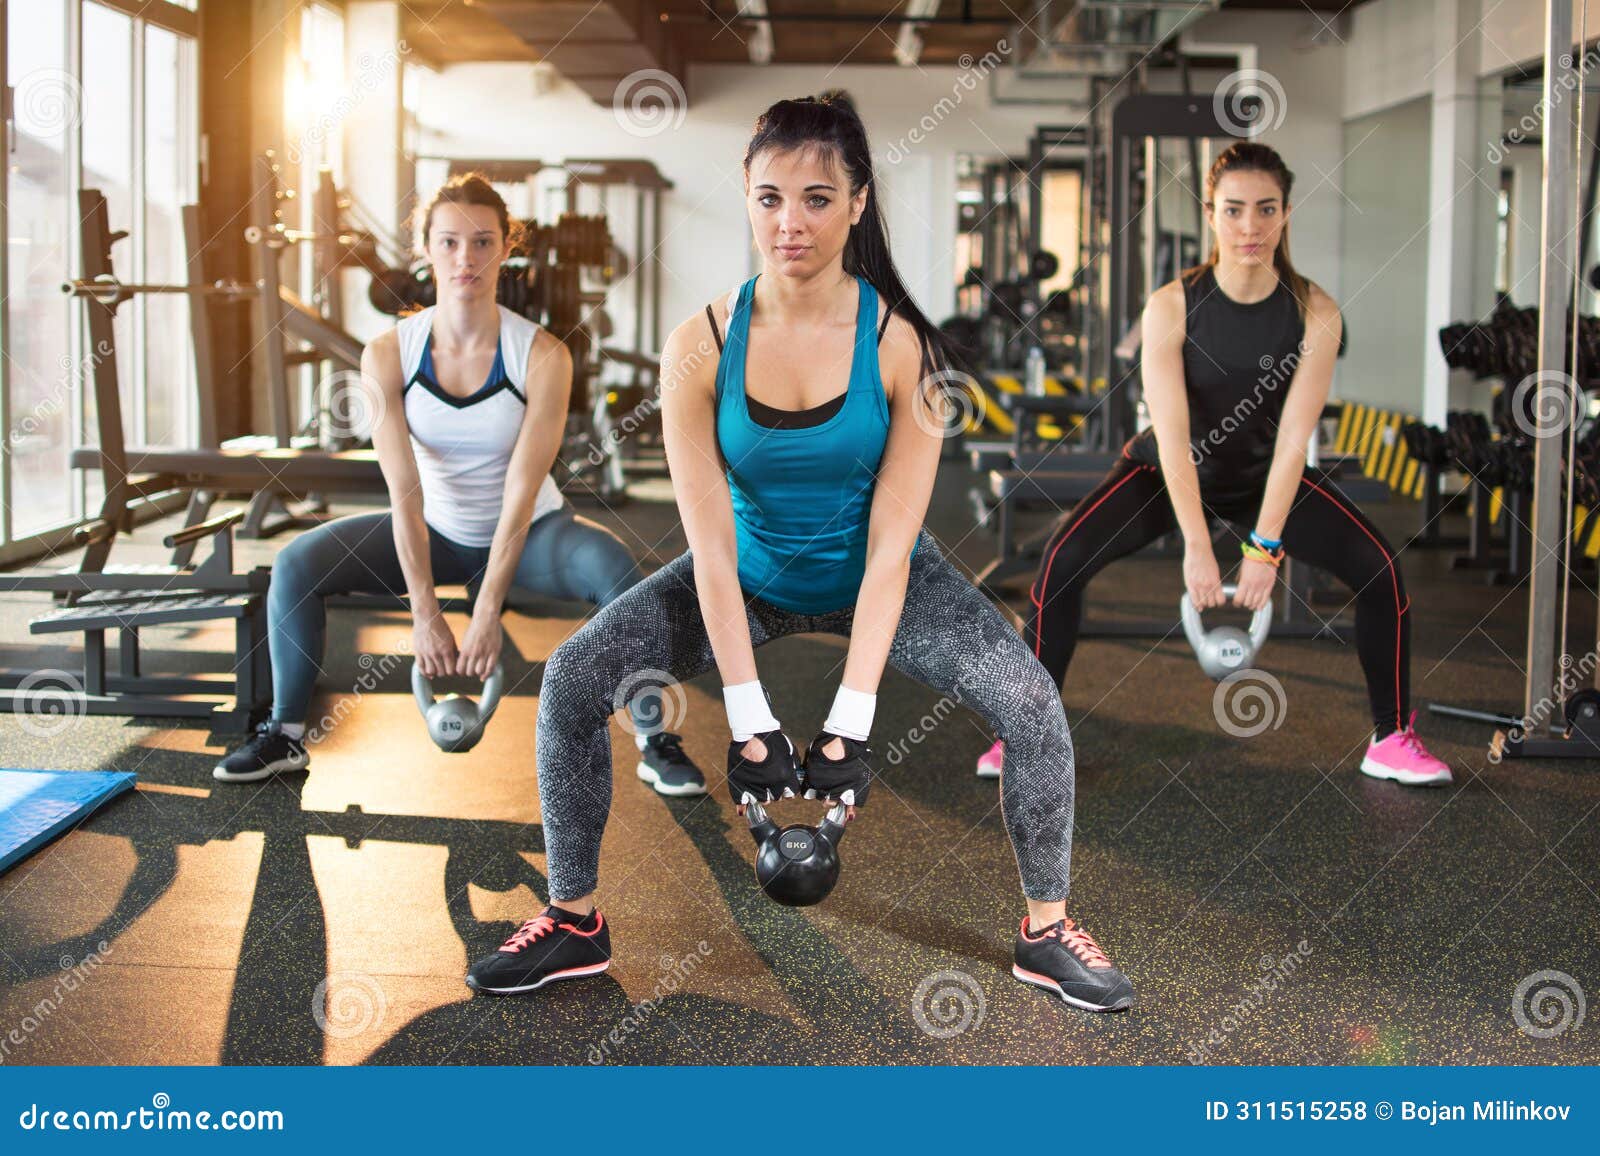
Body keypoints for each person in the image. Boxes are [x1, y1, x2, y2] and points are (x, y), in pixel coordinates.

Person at [463, 91, 1134, 1014]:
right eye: (771, 197)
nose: (791, 222)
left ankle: (1046, 929)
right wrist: (748, 718)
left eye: (818, 199)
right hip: (746, 572)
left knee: (1031, 703)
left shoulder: (909, 350)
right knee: (578, 677)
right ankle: (575, 920)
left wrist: (850, 722)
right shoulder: (698, 345)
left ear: (858, 204)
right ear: (745, 194)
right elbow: (706, 546)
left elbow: (893, 556)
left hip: (881, 580)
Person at [974, 141, 1450, 788]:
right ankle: (1027, 736)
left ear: (1285, 215)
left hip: (1262, 477)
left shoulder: (1316, 312)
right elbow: (1170, 436)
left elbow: (1292, 443)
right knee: (1061, 562)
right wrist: (1198, 546)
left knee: (1380, 571)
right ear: (1210, 213)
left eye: (1265, 209)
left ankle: (1391, 737)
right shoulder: (1172, 306)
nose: (1249, 226)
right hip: (1164, 474)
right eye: (1233, 210)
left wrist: (1265, 546)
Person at [213, 174, 706, 797]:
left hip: (532, 535)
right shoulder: (389, 354)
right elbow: (404, 492)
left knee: (619, 573)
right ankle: (284, 733)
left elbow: (523, 494)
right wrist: (425, 614)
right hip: (434, 529)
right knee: (297, 562)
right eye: (448, 242)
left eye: (481, 242)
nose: (465, 258)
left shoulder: (544, 355)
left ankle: (656, 740)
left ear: (505, 247)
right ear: (425, 249)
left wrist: (485, 611)